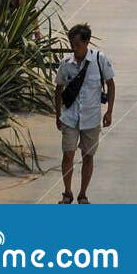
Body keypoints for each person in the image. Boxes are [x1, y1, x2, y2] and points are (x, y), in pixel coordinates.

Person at [55, 23, 115, 205]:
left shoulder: (99, 60)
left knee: (88, 157)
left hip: (91, 118)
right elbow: (58, 90)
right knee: (68, 155)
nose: (74, 48)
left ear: (87, 42)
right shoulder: (66, 64)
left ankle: (82, 194)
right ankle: (67, 192)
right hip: (70, 118)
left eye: (77, 45)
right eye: (72, 44)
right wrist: (57, 115)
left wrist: (109, 112)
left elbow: (111, 84)